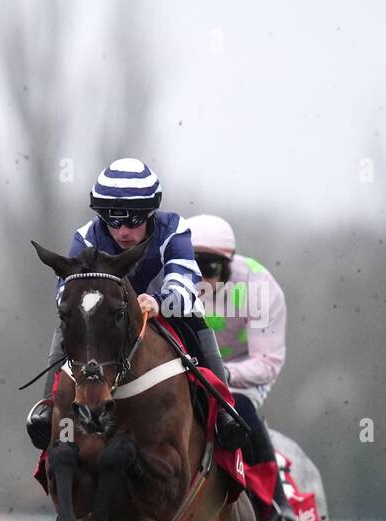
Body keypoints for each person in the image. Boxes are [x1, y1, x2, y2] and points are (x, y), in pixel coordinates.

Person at [26, 158, 244, 452]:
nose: (123, 232)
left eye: (133, 221)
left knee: (196, 317)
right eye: (113, 221)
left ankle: (224, 410)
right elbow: (65, 289)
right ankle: (48, 407)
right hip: (110, 318)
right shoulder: (86, 236)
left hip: (167, 312)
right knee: (70, 322)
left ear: (151, 213)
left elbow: (187, 281)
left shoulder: (173, 228)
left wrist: (159, 302)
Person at [186, 214, 300, 521]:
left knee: (240, 410)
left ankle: (275, 503)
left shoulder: (259, 288)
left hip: (245, 372)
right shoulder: (169, 281)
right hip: (189, 366)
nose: (202, 280)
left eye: (211, 268)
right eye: (193, 267)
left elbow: (267, 363)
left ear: (229, 263)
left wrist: (219, 374)